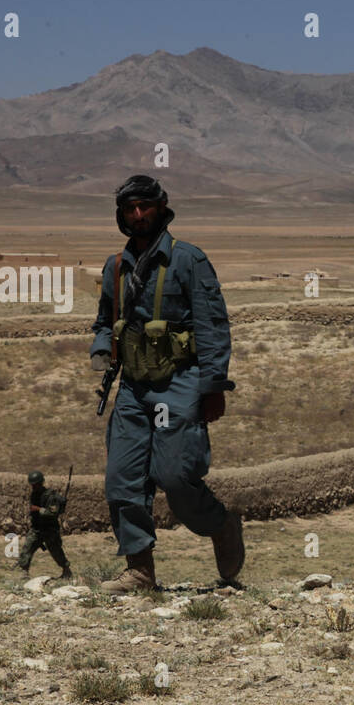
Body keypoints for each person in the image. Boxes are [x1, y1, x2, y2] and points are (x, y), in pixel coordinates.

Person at [89, 174, 243, 592]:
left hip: (180, 383)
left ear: (161, 208)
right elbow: (104, 321)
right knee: (122, 479)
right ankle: (139, 570)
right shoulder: (115, 267)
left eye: (145, 207)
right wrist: (101, 347)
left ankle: (222, 524)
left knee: (175, 477)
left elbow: (213, 327)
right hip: (134, 388)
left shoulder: (188, 261)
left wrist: (213, 387)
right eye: (130, 209)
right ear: (121, 216)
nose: (138, 215)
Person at [17, 471, 71, 579]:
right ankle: (24, 572)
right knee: (27, 548)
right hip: (37, 528)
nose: (34, 486)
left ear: (41, 483)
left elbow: (53, 513)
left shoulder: (50, 496)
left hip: (50, 529)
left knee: (56, 550)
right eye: (32, 485)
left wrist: (38, 509)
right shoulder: (34, 494)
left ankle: (66, 571)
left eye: (36, 484)